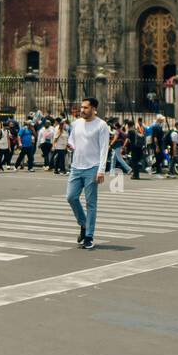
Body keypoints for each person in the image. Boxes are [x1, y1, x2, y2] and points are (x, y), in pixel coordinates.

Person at [66, 97, 108, 249]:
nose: (82, 110)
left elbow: (104, 149)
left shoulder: (101, 125)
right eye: (81, 107)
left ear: (94, 109)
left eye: (85, 108)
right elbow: (72, 140)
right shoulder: (76, 123)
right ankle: (84, 224)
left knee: (91, 203)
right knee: (71, 197)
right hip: (76, 167)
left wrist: (101, 170)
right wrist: (70, 145)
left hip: (93, 167)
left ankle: (89, 235)